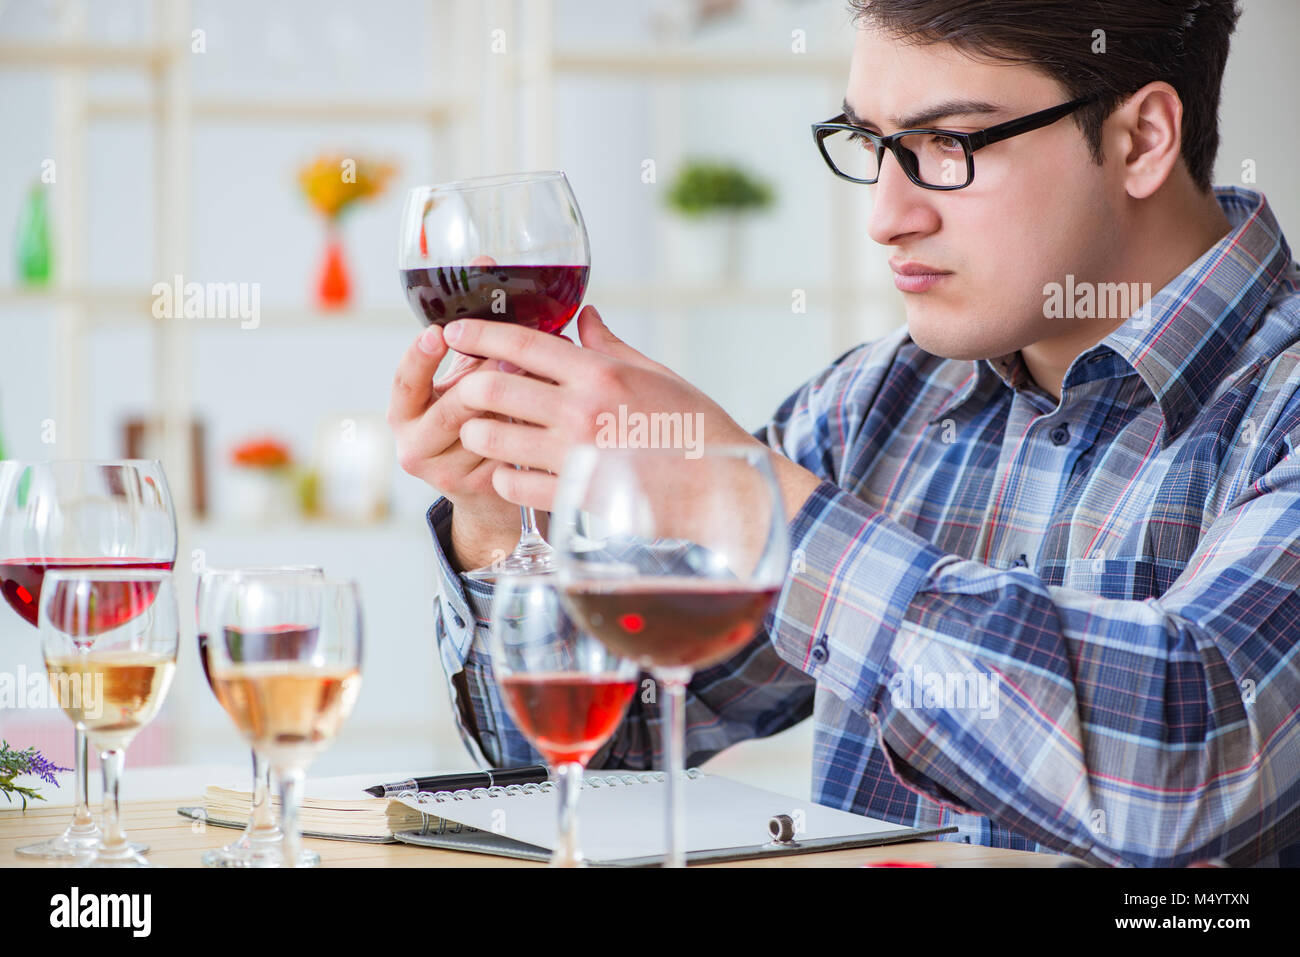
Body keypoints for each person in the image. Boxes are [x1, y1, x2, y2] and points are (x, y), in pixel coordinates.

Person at [386, 0, 1300, 867]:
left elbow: (1194, 760)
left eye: (949, 143)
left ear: (1140, 139)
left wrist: (736, 496)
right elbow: (595, 749)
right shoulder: (873, 403)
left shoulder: (1280, 409)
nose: (886, 216)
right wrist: (501, 513)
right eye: (872, 145)